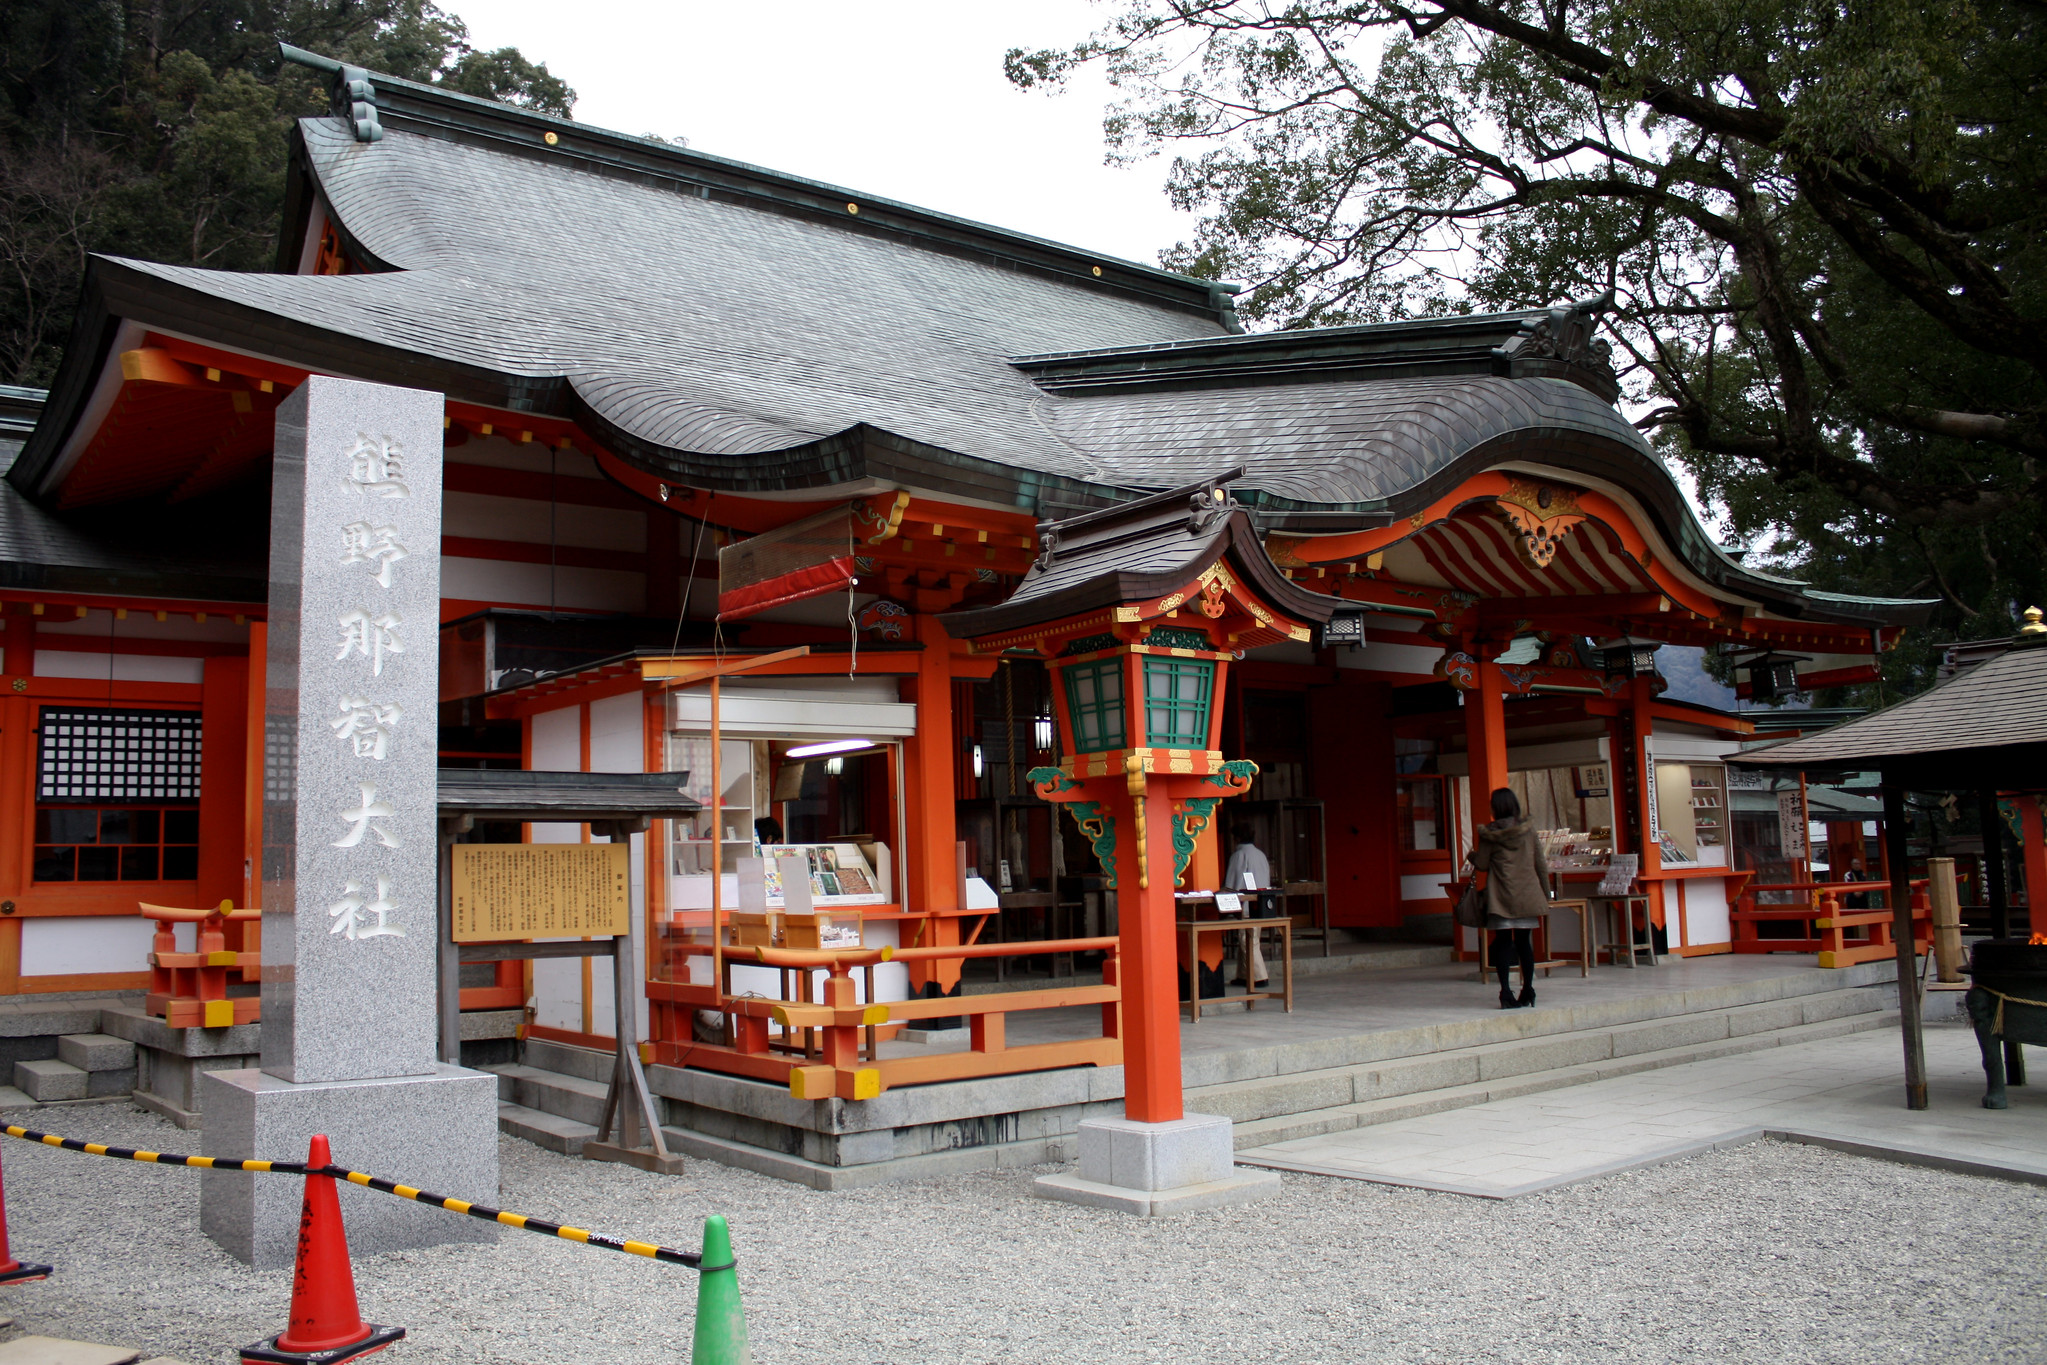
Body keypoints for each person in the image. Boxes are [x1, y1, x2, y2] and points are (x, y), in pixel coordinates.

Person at [1467, 787, 1552, 1009]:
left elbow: (1483, 864)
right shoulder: (1528, 831)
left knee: (1503, 943)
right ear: (1515, 805)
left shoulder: (1489, 834)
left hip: (1501, 895)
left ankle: (1505, 992)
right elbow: (1540, 864)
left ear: (1495, 808)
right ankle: (1529, 989)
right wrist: (1547, 893)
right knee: (1525, 943)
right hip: (1527, 894)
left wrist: (1471, 855)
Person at [1223, 822, 1272, 989]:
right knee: (1251, 938)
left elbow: (1233, 882)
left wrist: (1229, 903)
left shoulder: (1238, 856)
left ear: (1237, 838)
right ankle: (1243, 975)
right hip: (1261, 902)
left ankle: (1260, 976)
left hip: (1246, 904)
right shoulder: (1260, 855)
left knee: (1247, 941)